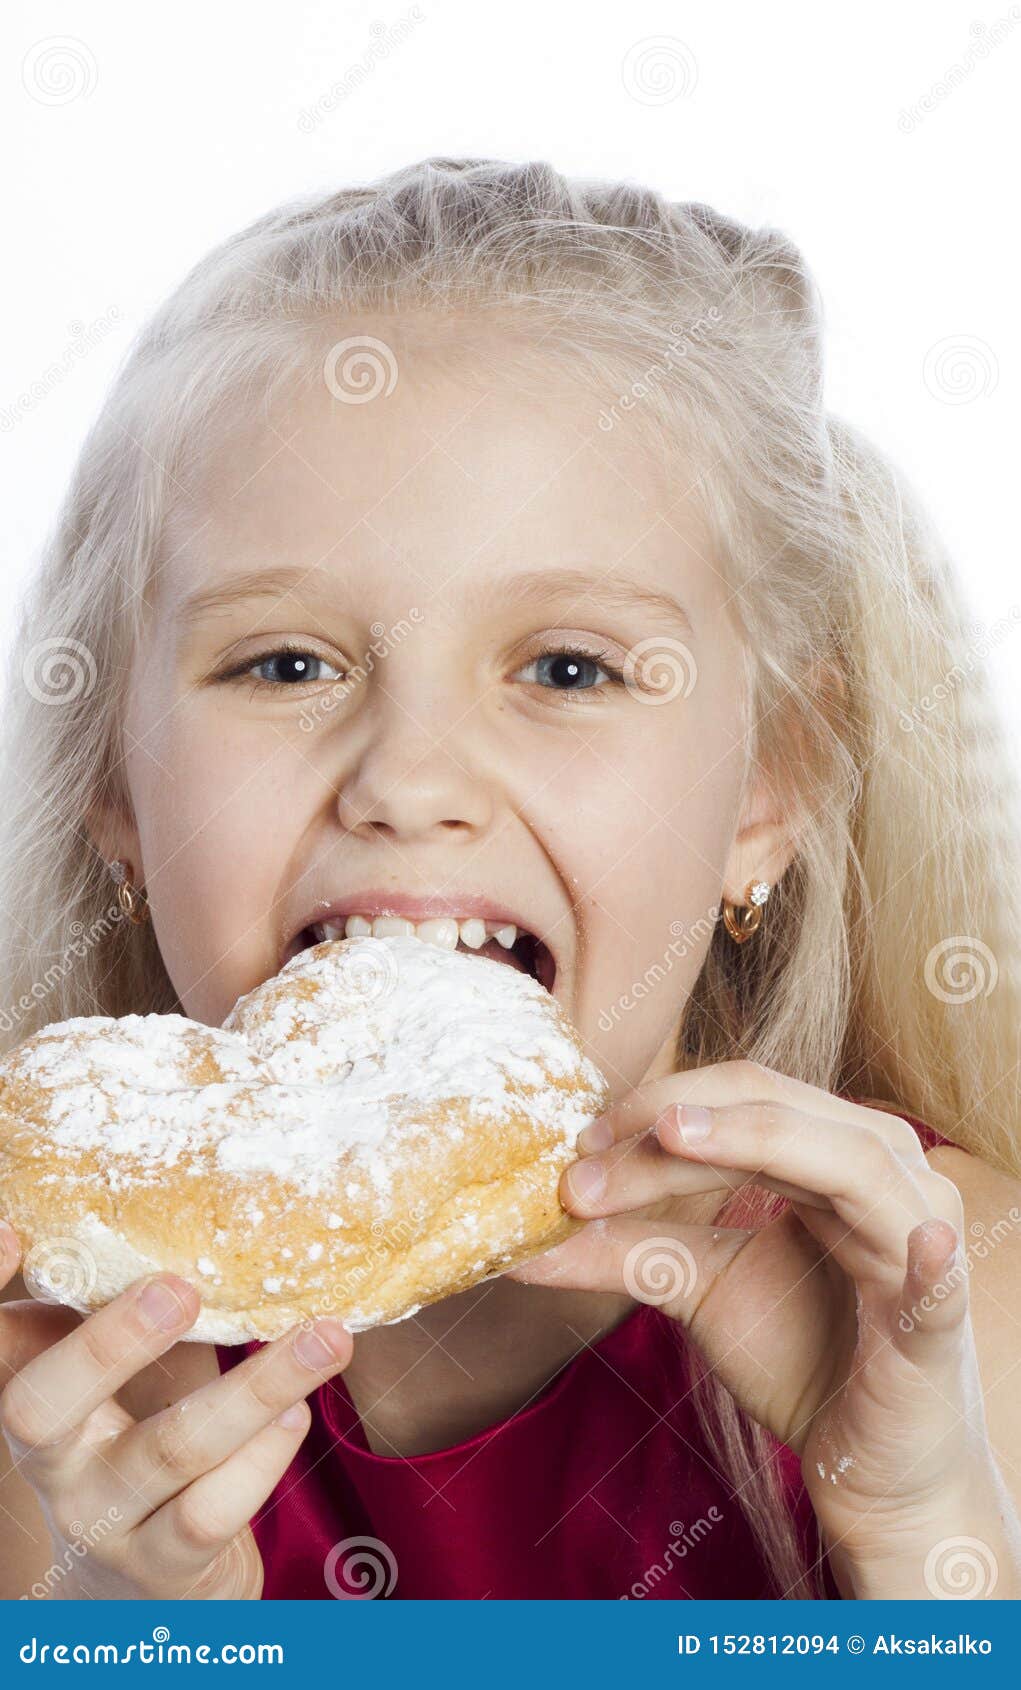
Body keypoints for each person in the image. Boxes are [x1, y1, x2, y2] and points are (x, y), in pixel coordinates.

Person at [1, 157, 1020, 1602]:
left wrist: (922, 1536)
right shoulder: (54, 1376)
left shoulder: (939, 1298)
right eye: (285, 663)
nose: (409, 778)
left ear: (768, 785)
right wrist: (124, 1627)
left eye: (565, 667)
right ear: (113, 778)